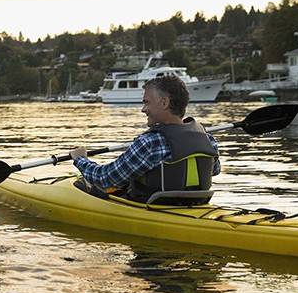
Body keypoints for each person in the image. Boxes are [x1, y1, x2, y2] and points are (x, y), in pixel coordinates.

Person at [68, 76, 220, 202]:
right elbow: (215, 170)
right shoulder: (207, 137)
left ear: (164, 103)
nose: (143, 109)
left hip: (154, 206)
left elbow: (105, 178)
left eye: (146, 102)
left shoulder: (149, 143)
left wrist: (80, 159)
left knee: (82, 184)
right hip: (196, 204)